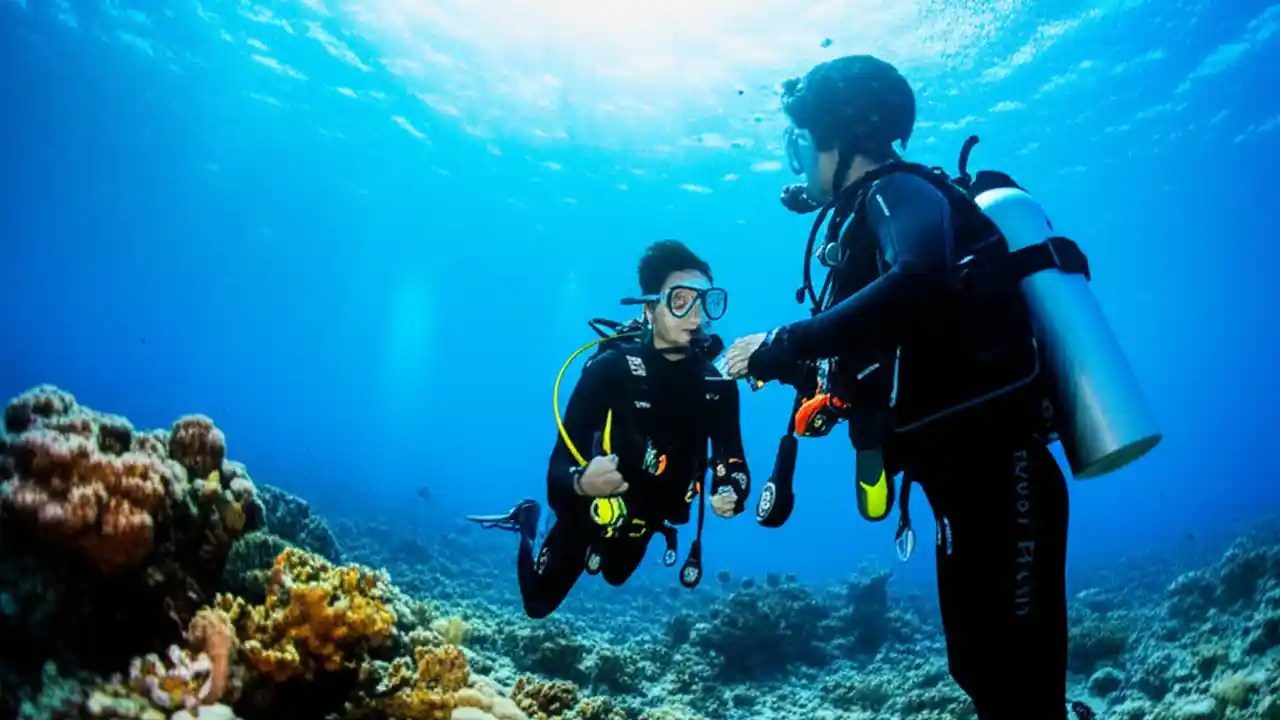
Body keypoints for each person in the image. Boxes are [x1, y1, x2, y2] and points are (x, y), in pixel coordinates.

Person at [723, 54, 1157, 720]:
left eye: (800, 143)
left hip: (1002, 471)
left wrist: (787, 340)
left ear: (841, 137)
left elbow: (919, 279)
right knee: (979, 667)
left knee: (1016, 684)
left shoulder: (898, 192)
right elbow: (877, 349)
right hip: (955, 478)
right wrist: (788, 365)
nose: (796, 162)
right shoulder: (865, 219)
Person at [471, 239, 752, 619]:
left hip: (648, 516)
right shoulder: (611, 371)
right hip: (589, 507)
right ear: (649, 308)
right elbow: (556, 473)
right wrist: (582, 483)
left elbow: (733, 461)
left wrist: (732, 491)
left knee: (616, 575)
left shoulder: (718, 386)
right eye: (681, 300)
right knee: (537, 603)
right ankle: (527, 521)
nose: (696, 316)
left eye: (706, 301)